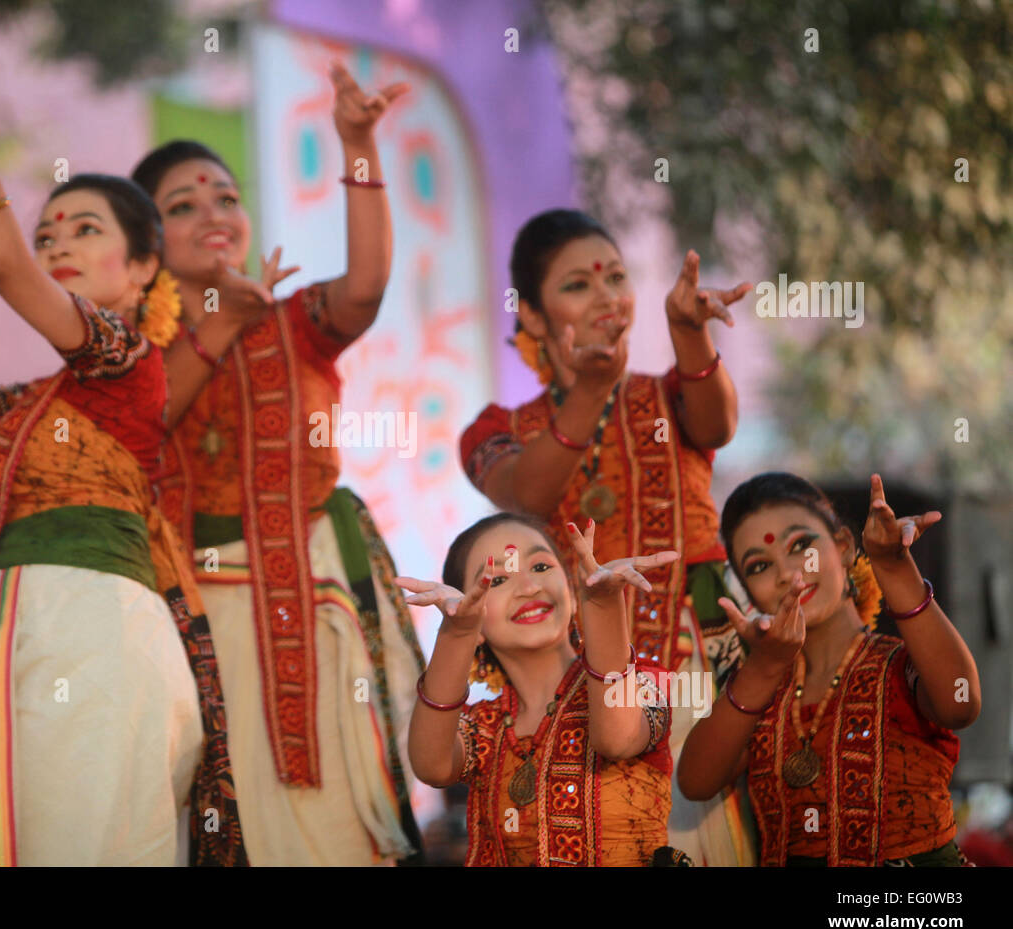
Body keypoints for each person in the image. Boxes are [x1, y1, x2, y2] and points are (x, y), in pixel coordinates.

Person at [0, 2, 242, 865]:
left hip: (91, 630)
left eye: (84, 230)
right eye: (48, 233)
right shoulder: (42, 396)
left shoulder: (126, 361)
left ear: (144, 267)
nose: (56, 244)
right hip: (19, 628)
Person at [127, 62, 427, 865]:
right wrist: (219, 323)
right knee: (228, 813)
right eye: (182, 207)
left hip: (308, 594)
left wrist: (357, 144)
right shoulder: (132, 353)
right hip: (194, 613)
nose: (214, 215)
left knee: (332, 813)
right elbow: (146, 430)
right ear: (146, 243)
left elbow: (367, 282)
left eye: (227, 198)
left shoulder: (298, 322)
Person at [458, 208, 755, 864]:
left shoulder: (670, 396)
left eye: (615, 277)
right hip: (587, 695)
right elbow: (524, 494)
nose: (604, 296)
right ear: (531, 315)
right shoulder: (496, 426)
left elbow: (718, 425)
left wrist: (689, 332)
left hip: (703, 669)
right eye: (576, 284)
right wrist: (589, 393)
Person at [678, 472, 981, 865]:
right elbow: (696, 781)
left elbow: (962, 702)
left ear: (842, 546)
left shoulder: (897, 666)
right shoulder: (761, 690)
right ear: (748, 592)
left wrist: (893, 567)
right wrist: (764, 669)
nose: (788, 573)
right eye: (758, 566)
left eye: (801, 545)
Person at [398, 513, 684, 865]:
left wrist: (604, 606)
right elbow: (431, 765)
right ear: (476, 619)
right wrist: (457, 634)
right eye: (498, 579)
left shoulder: (642, 683)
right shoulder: (485, 727)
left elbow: (618, 738)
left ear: (572, 590)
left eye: (541, 567)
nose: (529, 587)